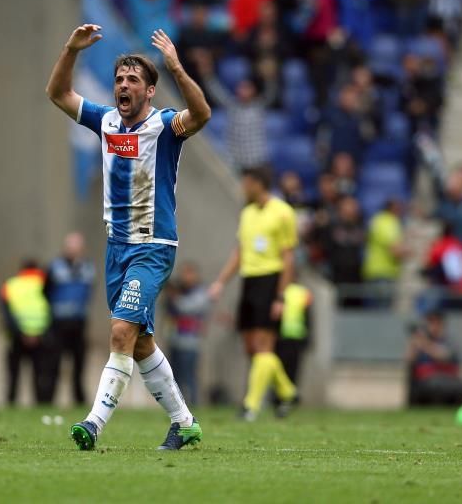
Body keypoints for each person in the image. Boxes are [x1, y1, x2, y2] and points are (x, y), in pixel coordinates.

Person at [46, 24, 210, 450]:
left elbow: (203, 114)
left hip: (153, 246)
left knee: (120, 332)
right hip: (116, 247)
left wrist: (175, 65)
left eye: (133, 79)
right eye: (120, 79)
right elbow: (58, 94)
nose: (123, 85)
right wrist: (71, 49)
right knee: (139, 345)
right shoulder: (105, 121)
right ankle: (184, 422)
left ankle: (93, 424)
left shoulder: (166, 126)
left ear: (150, 91)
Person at [208, 166, 299, 421]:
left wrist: (280, 296)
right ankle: (287, 390)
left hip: (270, 280)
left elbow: (288, 258)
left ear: (259, 184)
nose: (243, 188)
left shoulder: (283, 213)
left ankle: (251, 405)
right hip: (249, 281)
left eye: (246, 183)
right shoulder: (247, 213)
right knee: (251, 347)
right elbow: (240, 252)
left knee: (263, 345)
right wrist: (220, 282)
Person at [44, 232, 96, 406]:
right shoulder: (55, 267)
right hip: (58, 322)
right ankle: (47, 400)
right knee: (54, 363)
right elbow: (46, 291)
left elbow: (89, 291)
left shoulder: (88, 267)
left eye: (76, 246)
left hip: (78, 323)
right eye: (70, 246)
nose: (73, 250)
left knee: (79, 364)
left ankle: (79, 401)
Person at [1, 259, 53, 405]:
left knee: (13, 376)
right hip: (40, 337)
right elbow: (52, 310)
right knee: (40, 376)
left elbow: (6, 314)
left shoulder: (10, 284)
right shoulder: (44, 283)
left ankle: (11, 404)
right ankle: (40, 405)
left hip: (17, 338)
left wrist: (20, 333)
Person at [406, 312, 462, 406]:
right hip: (427, 379)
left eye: (436, 322)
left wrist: (424, 343)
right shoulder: (419, 341)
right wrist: (413, 344)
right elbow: (409, 361)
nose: (433, 326)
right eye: (430, 322)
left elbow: (444, 356)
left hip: (447, 377)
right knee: (434, 385)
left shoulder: (449, 341)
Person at [165, 262, 210, 406]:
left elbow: (187, 307)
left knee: (189, 376)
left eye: (189, 273)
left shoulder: (200, 292)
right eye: (183, 273)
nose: (185, 277)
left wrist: (174, 296)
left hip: (190, 342)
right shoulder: (180, 291)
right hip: (174, 339)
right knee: (174, 377)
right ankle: (177, 406)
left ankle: (193, 404)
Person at [418, 223, 462, 314]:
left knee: (429, 304)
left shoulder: (441, 246)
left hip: (460, 293)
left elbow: (428, 267)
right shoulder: (460, 245)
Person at [362, 199, 409, 306]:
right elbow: (395, 250)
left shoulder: (376, 220)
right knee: (382, 315)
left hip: (374, 271)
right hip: (383, 273)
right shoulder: (388, 223)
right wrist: (412, 252)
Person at [276, 280, 313, 390]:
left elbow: (308, 316)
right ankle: (286, 396)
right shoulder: (303, 292)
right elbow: (309, 317)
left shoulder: (279, 292)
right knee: (290, 369)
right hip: (293, 336)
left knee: (283, 369)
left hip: (285, 336)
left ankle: (284, 396)